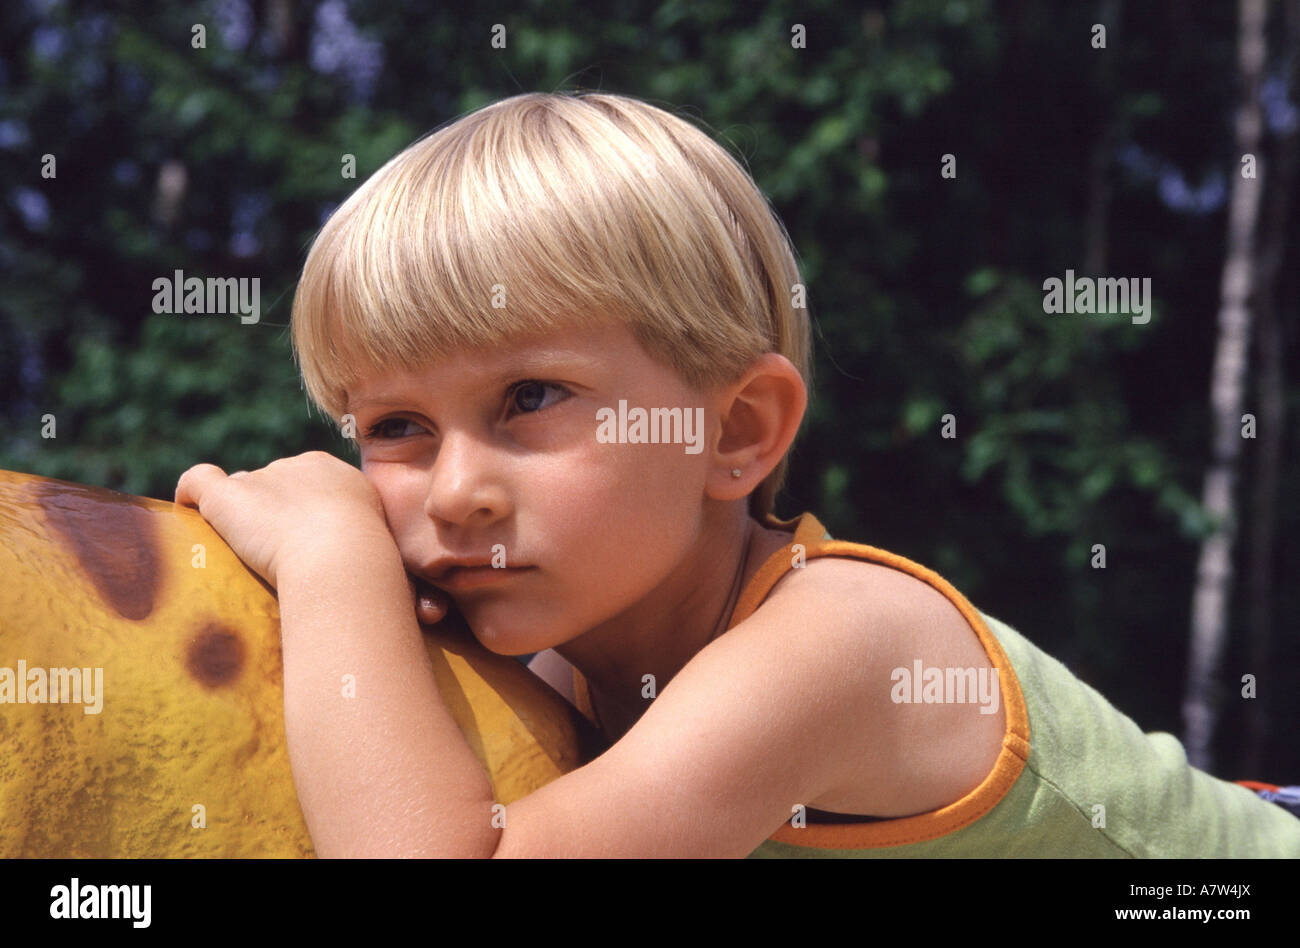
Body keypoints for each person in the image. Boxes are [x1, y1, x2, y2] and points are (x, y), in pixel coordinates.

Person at [174, 91, 1300, 857]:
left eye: (529, 399)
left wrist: (332, 561)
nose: (455, 488)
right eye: (397, 426)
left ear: (737, 432)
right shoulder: (569, 668)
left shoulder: (837, 645)